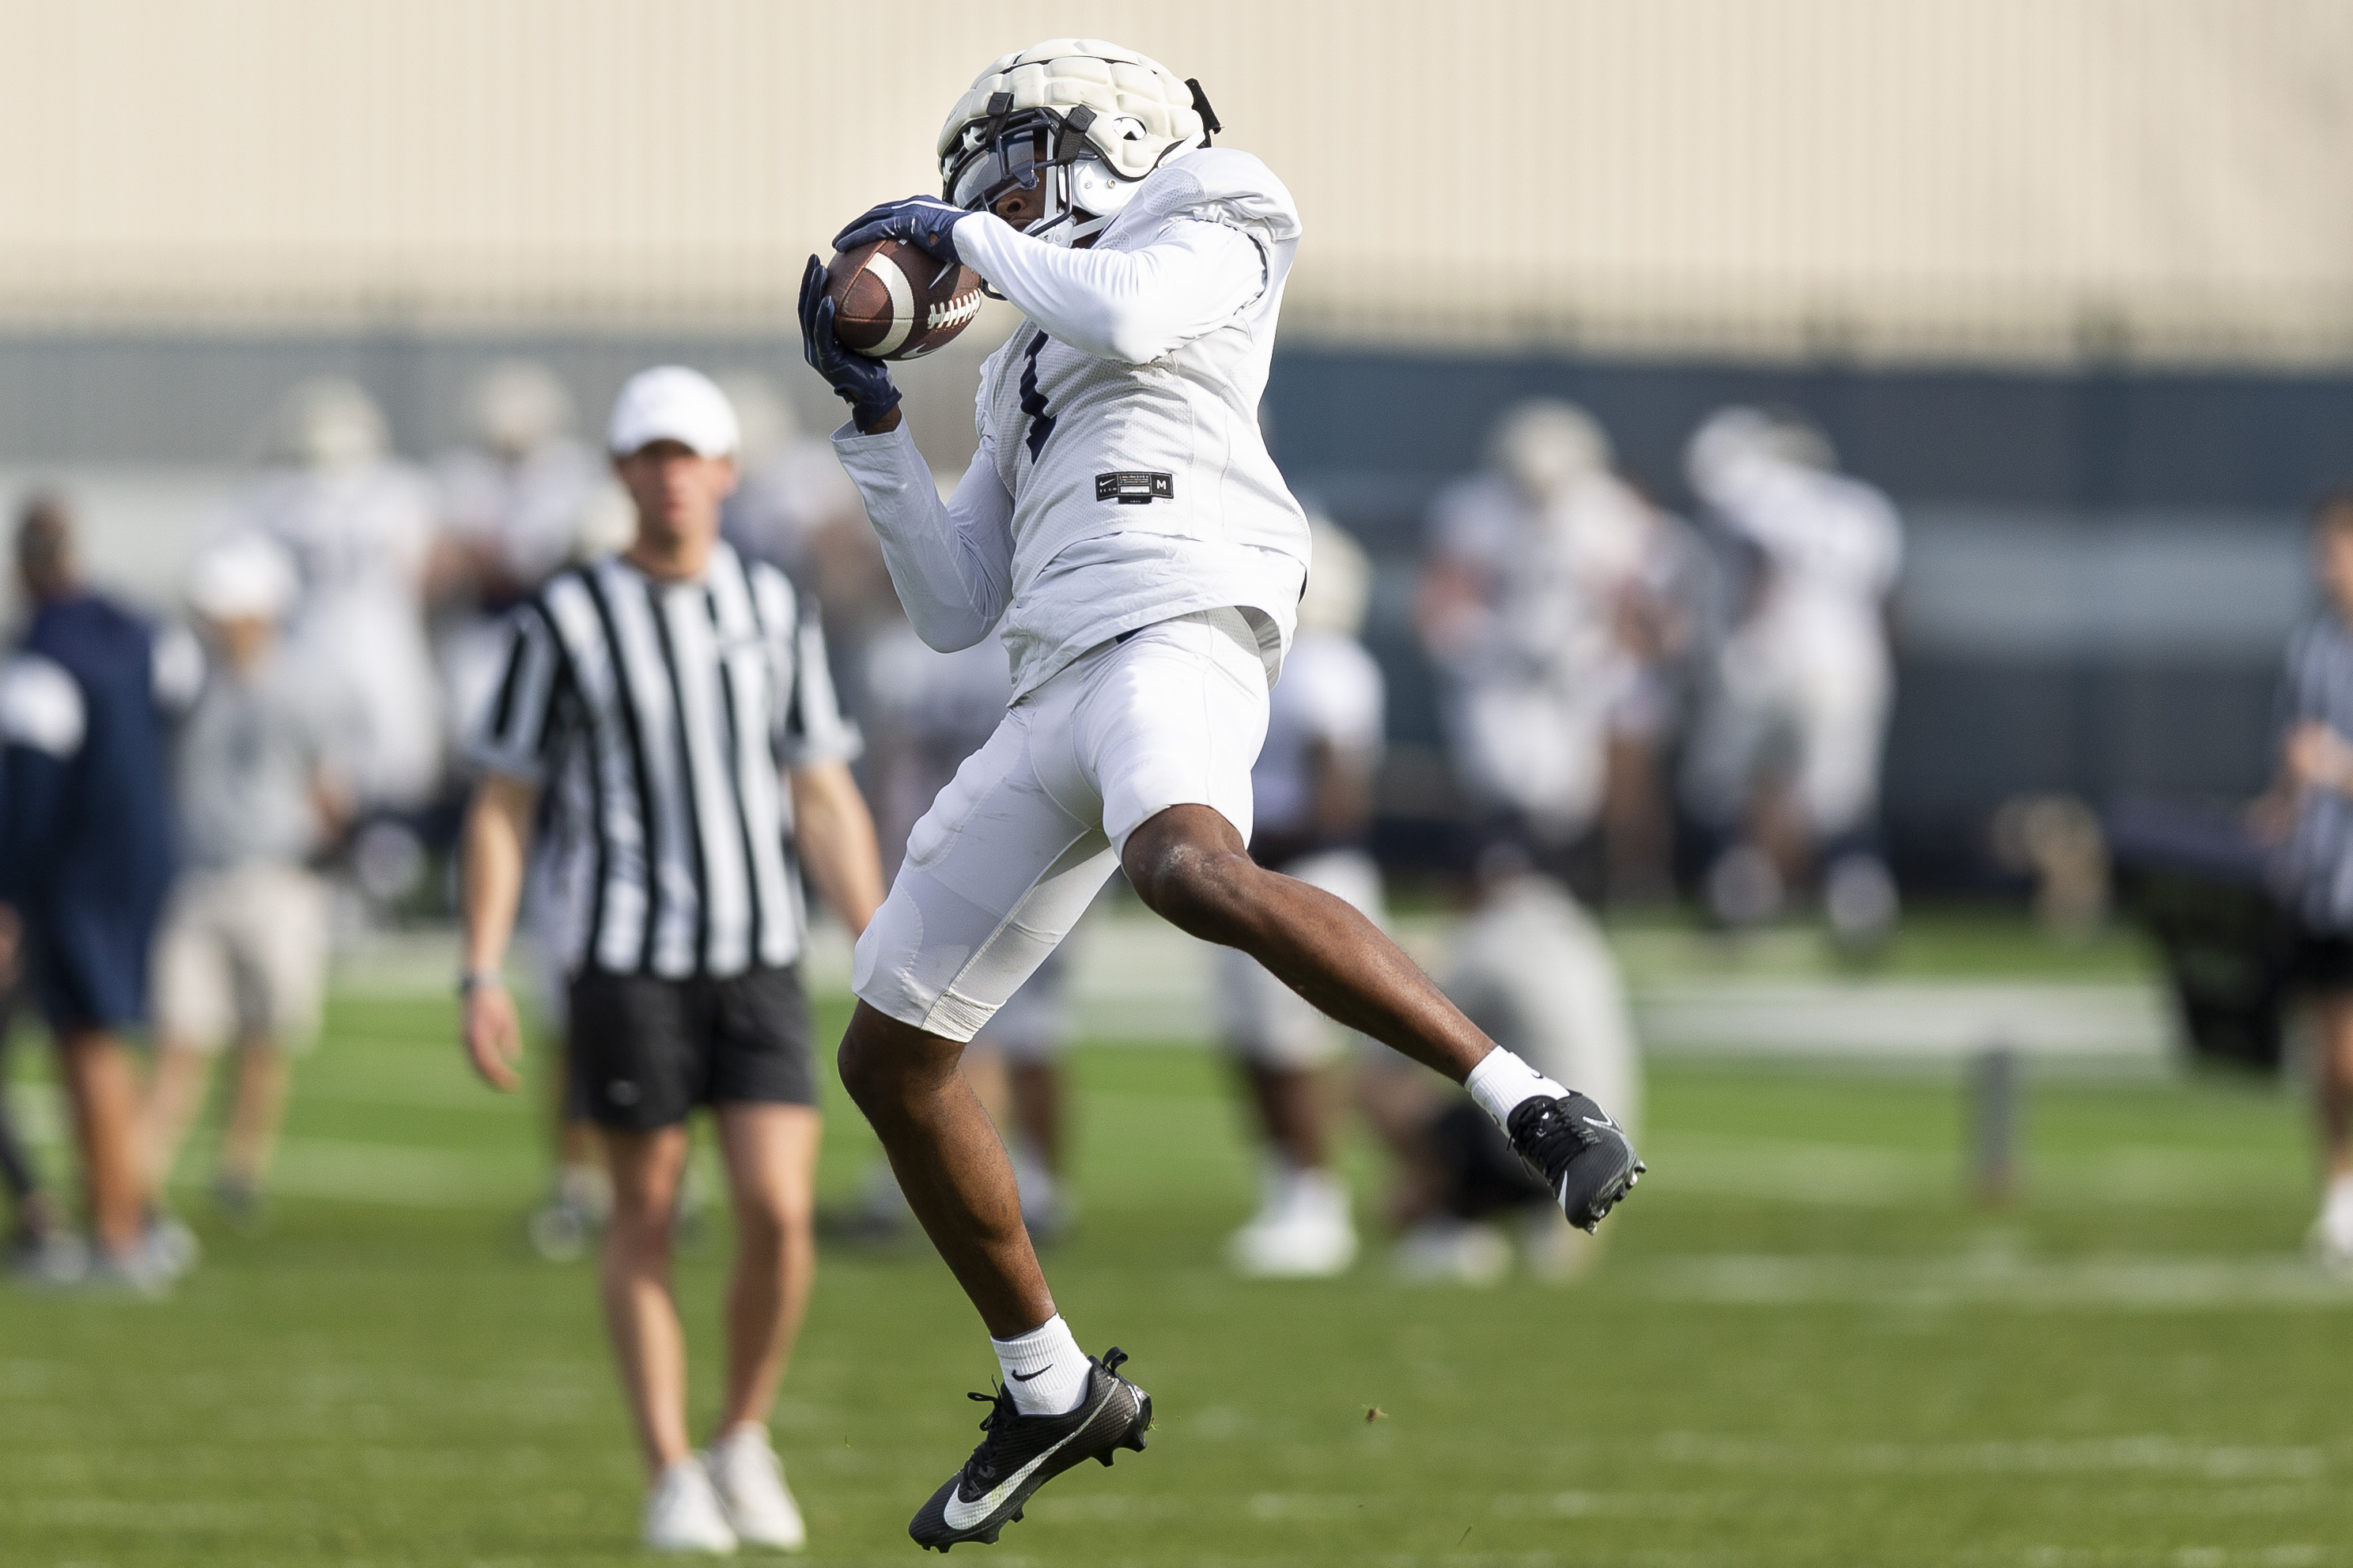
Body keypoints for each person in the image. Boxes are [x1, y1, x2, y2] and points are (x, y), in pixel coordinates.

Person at [800, 39, 1642, 1551]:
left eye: (1008, 158)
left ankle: (1527, 1097)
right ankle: (1049, 1383)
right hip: (1055, 678)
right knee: (890, 1056)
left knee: (1188, 866)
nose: (987, 196)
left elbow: (1129, 310)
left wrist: (959, 244)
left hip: (1181, 620)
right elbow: (950, 599)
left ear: (1113, 134)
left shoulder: (1219, 202)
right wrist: (870, 420)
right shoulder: (1016, 359)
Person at [457, 366, 884, 1554]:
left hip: (754, 951)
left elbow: (821, 790)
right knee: (644, 1207)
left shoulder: (770, 605)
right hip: (625, 955)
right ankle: (667, 1468)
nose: (671, 474)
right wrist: (483, 965)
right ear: (619, 471)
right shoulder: (565, 619)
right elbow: (503, 803)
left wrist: (884, 938)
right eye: (649, 453)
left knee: (777, 1210)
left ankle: (740, 1432)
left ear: (726, 471)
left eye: (690, 453)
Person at [0, 493, 187, 1287]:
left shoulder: (41, 653)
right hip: (145, 852)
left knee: (92, 1043)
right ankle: (127, 1214)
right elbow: (179, 703)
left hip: (77, 867)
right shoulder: (142, 630)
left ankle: (119, 1230)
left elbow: (31, 789)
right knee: (109, 1036)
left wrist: (8, 890)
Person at [142, 534, 350, 1228]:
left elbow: (329, 786)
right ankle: (141, 1169)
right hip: (196, 876)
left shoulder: (305, 683)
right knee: (181, 1035)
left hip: (276, 876)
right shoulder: (185, 678)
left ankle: (241, 1168)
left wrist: (320, 851)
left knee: (265, 1037)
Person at [1416, 399, 1690, 901]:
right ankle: (1510, 877)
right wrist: (1465, 643)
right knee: (1499, 776)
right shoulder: (1475, 508)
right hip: (1499, 669)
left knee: (1569, 794)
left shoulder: (1609, 514)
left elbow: (1634, 600)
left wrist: (1619, 657)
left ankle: (1549, 881)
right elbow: (1445, 595)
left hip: (1574, 671)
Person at [860, 622, 1082, 1241]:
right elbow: (892, 767)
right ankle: (930, 1178)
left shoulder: (1041, 631)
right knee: (924, 1019)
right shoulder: (901, 652)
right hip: (932, 858)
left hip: (1027, 853)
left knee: (1028, 1031)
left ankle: (1038, 1182)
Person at [1216, 517, 1385, 1279]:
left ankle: (1317, 1199)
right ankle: (1291, 1188)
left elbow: (1336, 799)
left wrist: (1241, 846)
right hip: (1263, 875)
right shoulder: (1279, 659)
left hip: (1305, 875)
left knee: (1295, 1044)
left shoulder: (1327, 666)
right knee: (1250, 1039)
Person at [1681, 406, 1904, 948]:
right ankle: (1859, 904)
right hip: (1852, 664)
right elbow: (1887, 604)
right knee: (1838, 798)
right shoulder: (1865, 507)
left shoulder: (1763, 498)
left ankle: (1739, 893)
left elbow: (1762, 569)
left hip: (1775, 658)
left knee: (1722, 783)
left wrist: (1741, 643)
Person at [236, 378, 444, 907]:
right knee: (387, 783)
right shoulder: (402, 489)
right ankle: (387, 887)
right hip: (386, 650)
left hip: (313, 648)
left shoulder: (274, 498)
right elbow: (431, 572)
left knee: (325, 777)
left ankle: (357, 887)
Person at [2258, 491, 2353, 1269]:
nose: (2328, 568)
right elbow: (2289, 769)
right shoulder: (2309, 649)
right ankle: (2337, 1196)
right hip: (2323, 878)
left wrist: (2331, 766)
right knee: (2326, 1055)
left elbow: (2319, 758)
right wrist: (2275, 814)